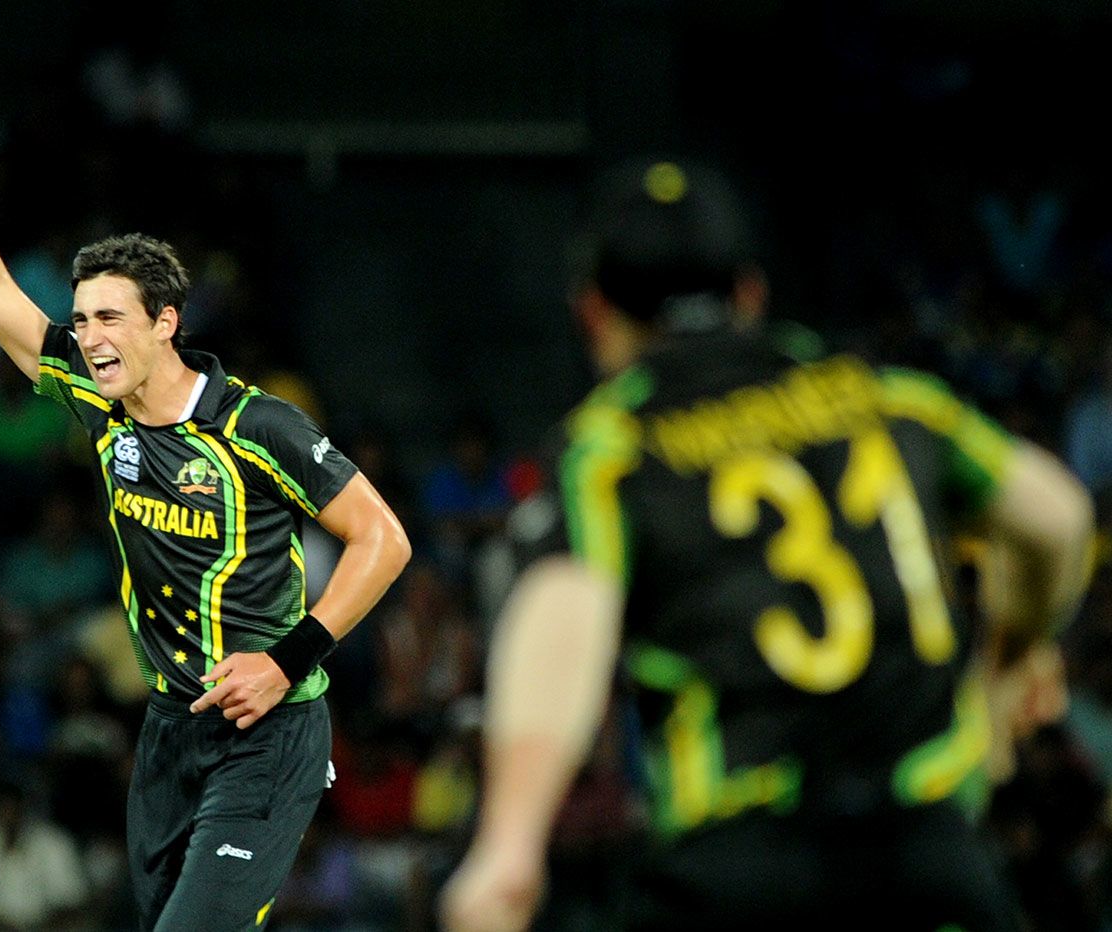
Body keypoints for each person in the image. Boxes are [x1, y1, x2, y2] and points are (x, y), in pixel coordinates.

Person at [439, 158, 1095, 931]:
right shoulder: (885, 396)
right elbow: (1057, 516)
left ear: (593, 313)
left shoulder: (610, 449)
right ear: (751, 293)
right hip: (929, 859)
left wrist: (510, 847)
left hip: (739, 870)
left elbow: (565, 602)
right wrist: (1015, 649)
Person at [0, 50, 411, 931]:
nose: (87, 336)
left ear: (166, 323)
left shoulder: (258, 425)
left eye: (109, 317)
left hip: (269, 733)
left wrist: (286, 661)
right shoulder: (95, 395)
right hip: (170, 730)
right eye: (81, 318)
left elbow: (383, 539)